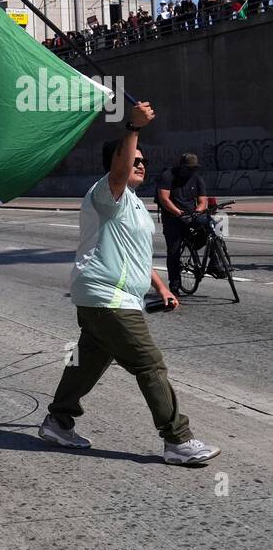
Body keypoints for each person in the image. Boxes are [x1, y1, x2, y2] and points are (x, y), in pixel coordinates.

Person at [38, 102, 220, 466]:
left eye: (144, 161)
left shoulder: (133, 204)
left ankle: (58, 421)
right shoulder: (108, 193)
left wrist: (161, 286)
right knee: (150, 364)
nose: (141, 164)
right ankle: (177, 441)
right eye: (134, 159)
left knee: (87, 362)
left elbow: (134, 253)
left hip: (110, 297)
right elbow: (120, 170)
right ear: (116, 164)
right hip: (108, 296)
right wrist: (132, 127)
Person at [155, 153, 211, 295]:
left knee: (209, 230)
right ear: (181, 166)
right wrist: (178, 213)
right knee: (173, 252)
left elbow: (203, 200)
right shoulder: (168, 176)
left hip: (191, 216)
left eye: (194, 168)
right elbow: (164, 199)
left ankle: (215, 264)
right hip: (172, 218)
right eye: (188, 168)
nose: (191, 171)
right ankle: (174, 286)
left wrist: (197, 212)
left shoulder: (197, 178)